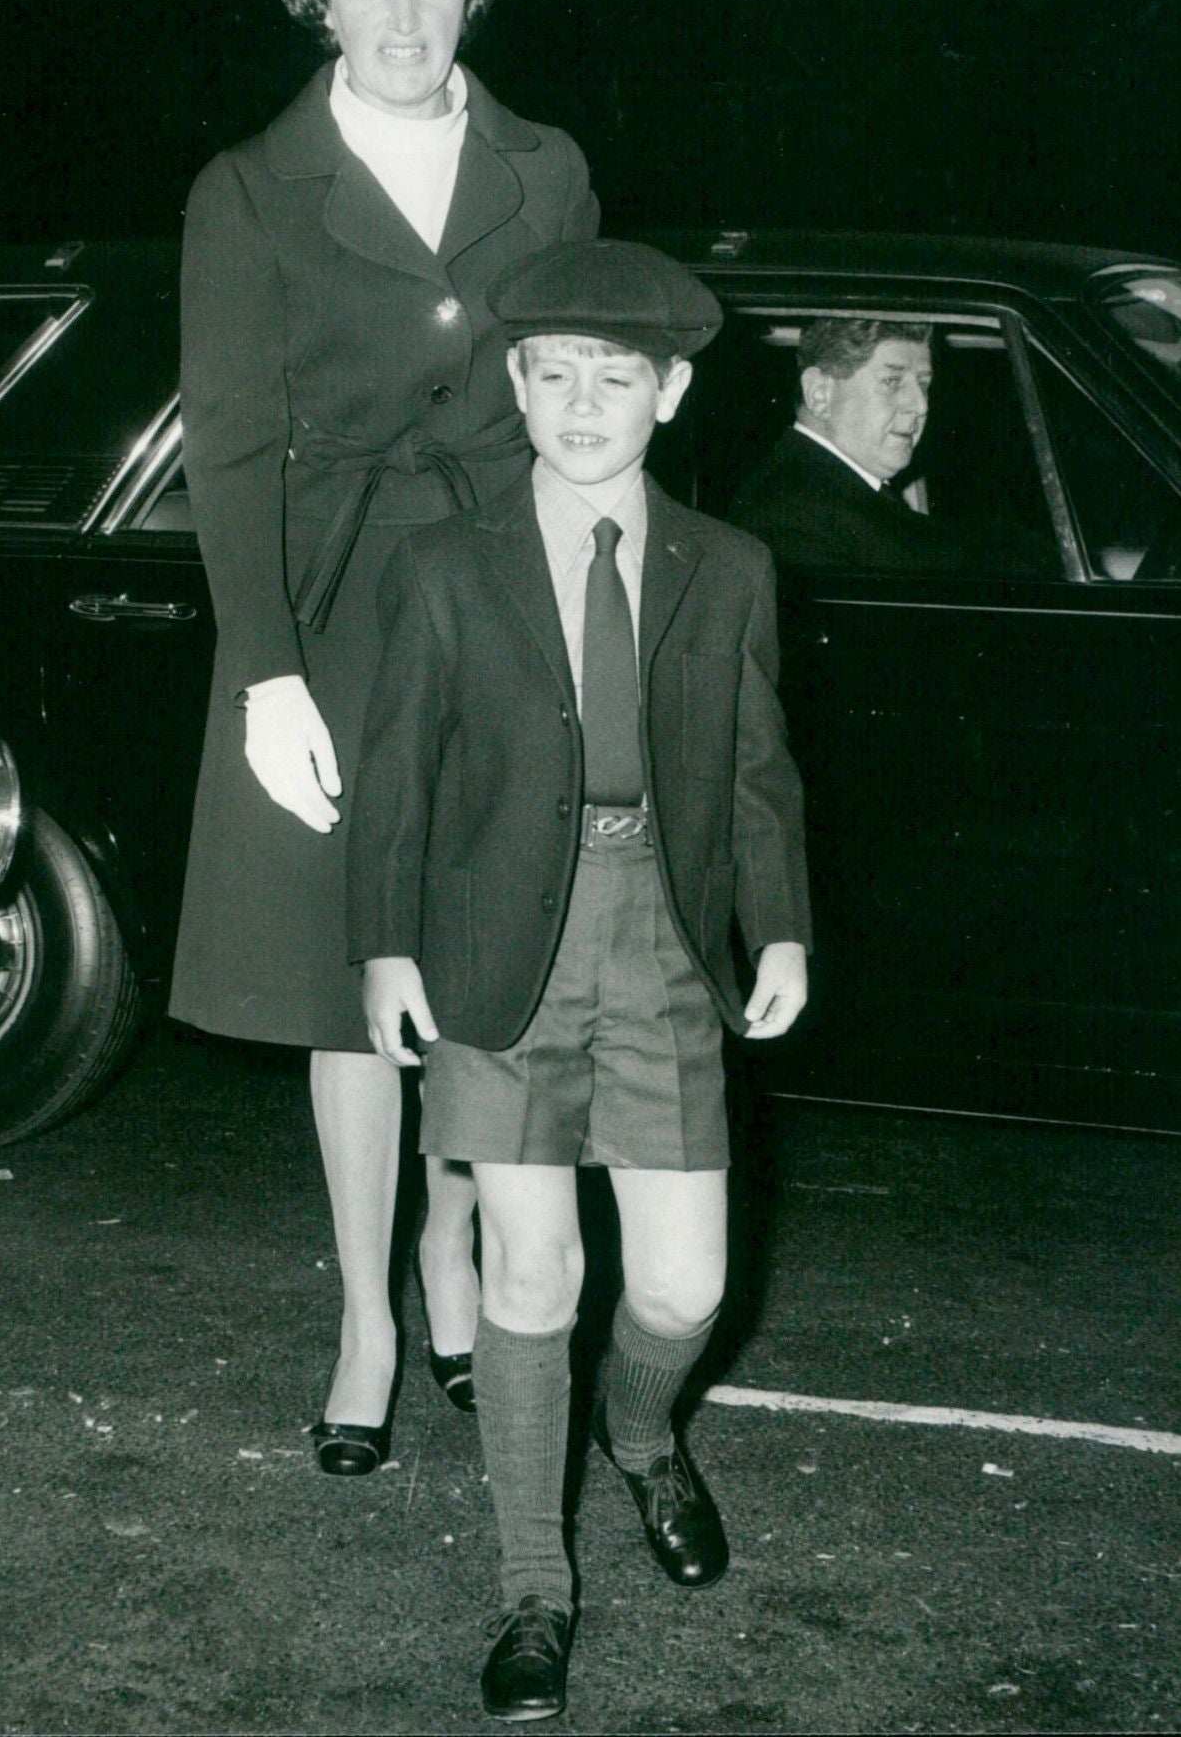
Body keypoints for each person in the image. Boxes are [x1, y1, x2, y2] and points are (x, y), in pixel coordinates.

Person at [169, 0, 599, 1474]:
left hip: (495, 597)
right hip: (332, 609)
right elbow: (229, 451)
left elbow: (577, 395)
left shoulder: (545, 170)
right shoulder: (247, 191)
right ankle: (364, 1316)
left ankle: (448, 1250)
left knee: (480, 956)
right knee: (343, 979)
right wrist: (265, 671)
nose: (406, 19)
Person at [347, 239, 811, 1720]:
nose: (582, 404)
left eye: (615, 379)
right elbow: (395, 776)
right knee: (530, 1272)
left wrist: (780, 927)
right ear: (515, 383)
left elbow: (754, 770)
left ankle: (638, 1429)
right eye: (553, 375)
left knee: (682, 1283)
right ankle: (531, 1588)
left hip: (662, 934)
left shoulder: (726, 568)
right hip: (497, 942)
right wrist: (385, 943)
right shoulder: (444, 564)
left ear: (669, 394)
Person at [729, 316, 1052, 575]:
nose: (920, 405)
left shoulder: (843, 495)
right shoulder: (788, 520)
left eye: (923, 384)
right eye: (892, 381)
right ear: (819, 394)